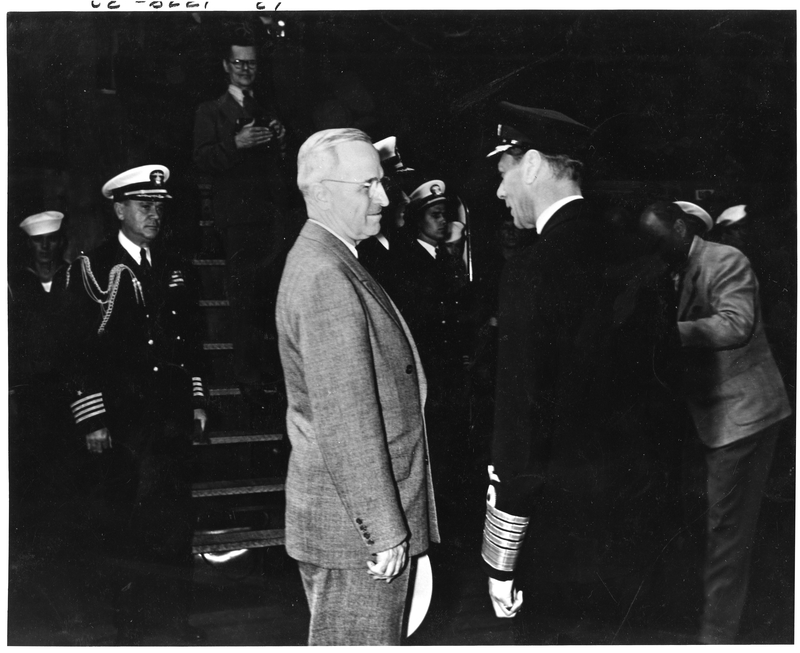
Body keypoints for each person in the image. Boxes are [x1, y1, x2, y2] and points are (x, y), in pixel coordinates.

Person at [480, 102, 653, 641]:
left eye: (503, 172)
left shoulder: (533, 268)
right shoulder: (637, 252)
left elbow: (522, 415)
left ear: (531, 165)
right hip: (635, 511)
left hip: (560, 525)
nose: (500, 191)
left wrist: (500, 558)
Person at [276, 128, 439, 645]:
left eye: (381, 183)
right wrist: (383, 528)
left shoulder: (335, 259)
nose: (385, 198)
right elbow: (346, 417)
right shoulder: (326, 274)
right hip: (357, 531)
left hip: (351, 520)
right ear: (322, 191)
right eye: (366, 186)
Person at [64, 165, 208, 644]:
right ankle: (128, 632)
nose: (154, 213)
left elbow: (189, 340)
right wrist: (93, 416)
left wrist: (196, 399)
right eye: (144, 205)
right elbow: (76, 348)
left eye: (159, 205)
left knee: (173, 522)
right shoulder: (93, 265)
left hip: (167, 416)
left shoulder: (173, 263)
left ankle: (174, 627)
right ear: (119, 209)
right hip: (121, 420)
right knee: (125, 526)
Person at [638, 200, 791, 644]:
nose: (650, 247)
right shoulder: (669, 269)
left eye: (657, 236)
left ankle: (717, 640)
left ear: (682, 228)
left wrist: (667, 332)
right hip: (706, 417)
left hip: (742, 418)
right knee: (711, 528)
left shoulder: (725, 259)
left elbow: (736, 324)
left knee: (726, 533)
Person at [193, 37, 293, 404]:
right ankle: (248, 377)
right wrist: (237, 143)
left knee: (272, 298)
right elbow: (202, 159)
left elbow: (278, 169)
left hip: (271, 217)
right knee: (243, 299)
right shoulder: (210, 111)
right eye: (238, 63)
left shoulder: (267, 109)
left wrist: (281, 142)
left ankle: (273, 372)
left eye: (251, 63)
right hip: (236, 219)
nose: (245, 69)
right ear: (225, 66)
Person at [9, 211, 73, 506]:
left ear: (61, 242)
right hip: (31, 391)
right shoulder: (13, 284)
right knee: (36, 469)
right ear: (29, 245)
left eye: (51, 241)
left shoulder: (76, 278)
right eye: (38, 242)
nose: (45, 248)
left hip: (73, 389)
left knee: (73, 468)